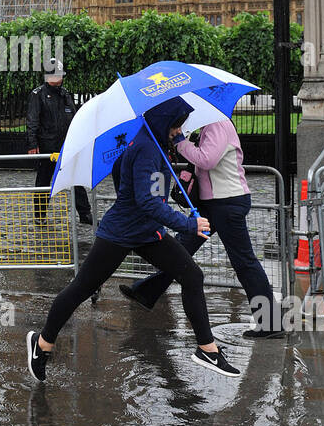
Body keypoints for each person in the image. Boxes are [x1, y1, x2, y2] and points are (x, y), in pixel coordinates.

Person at [26, 96, 241, 383]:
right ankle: (42, 345)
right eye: (176, 125)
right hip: (121, 233)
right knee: (80, 289)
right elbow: (148, 202)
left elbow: (142, 186)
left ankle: (207, 348)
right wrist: (189, 224)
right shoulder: (146, 148)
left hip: (148, 232)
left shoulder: (154, 144)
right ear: (164, 121)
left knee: (192, 275)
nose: (179, 131)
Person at [119, 115, 280, 337]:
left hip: (227, 203)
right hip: (213, 203)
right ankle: (147, 292)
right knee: (180, 250)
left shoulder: (217, 124)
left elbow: (207, 160)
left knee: (244, 262)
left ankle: (270, 323)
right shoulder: (209, 126)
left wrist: (180, 142)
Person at [27, 61, 92, 225]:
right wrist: (32, 144)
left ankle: (85, 214)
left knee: (75, 180)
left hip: (66, 145)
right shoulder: (38, 95)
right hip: (47, 146)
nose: (58, 78)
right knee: (43, 181)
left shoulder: (65, 94)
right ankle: (40, 216)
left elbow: (74, 118)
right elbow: (32, 121)